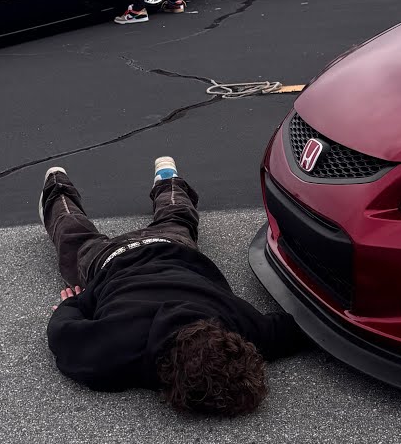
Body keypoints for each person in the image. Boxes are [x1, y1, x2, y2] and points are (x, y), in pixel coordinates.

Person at [40, 158, 309, 415]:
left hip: (170, 247)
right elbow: (63, 335)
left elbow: (297, 328)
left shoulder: (241, 325)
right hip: (111, 260)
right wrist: (72, 303)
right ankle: (56, 190)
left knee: (177, 217)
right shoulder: (115, 351)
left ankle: (168, 180)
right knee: (75, 237)